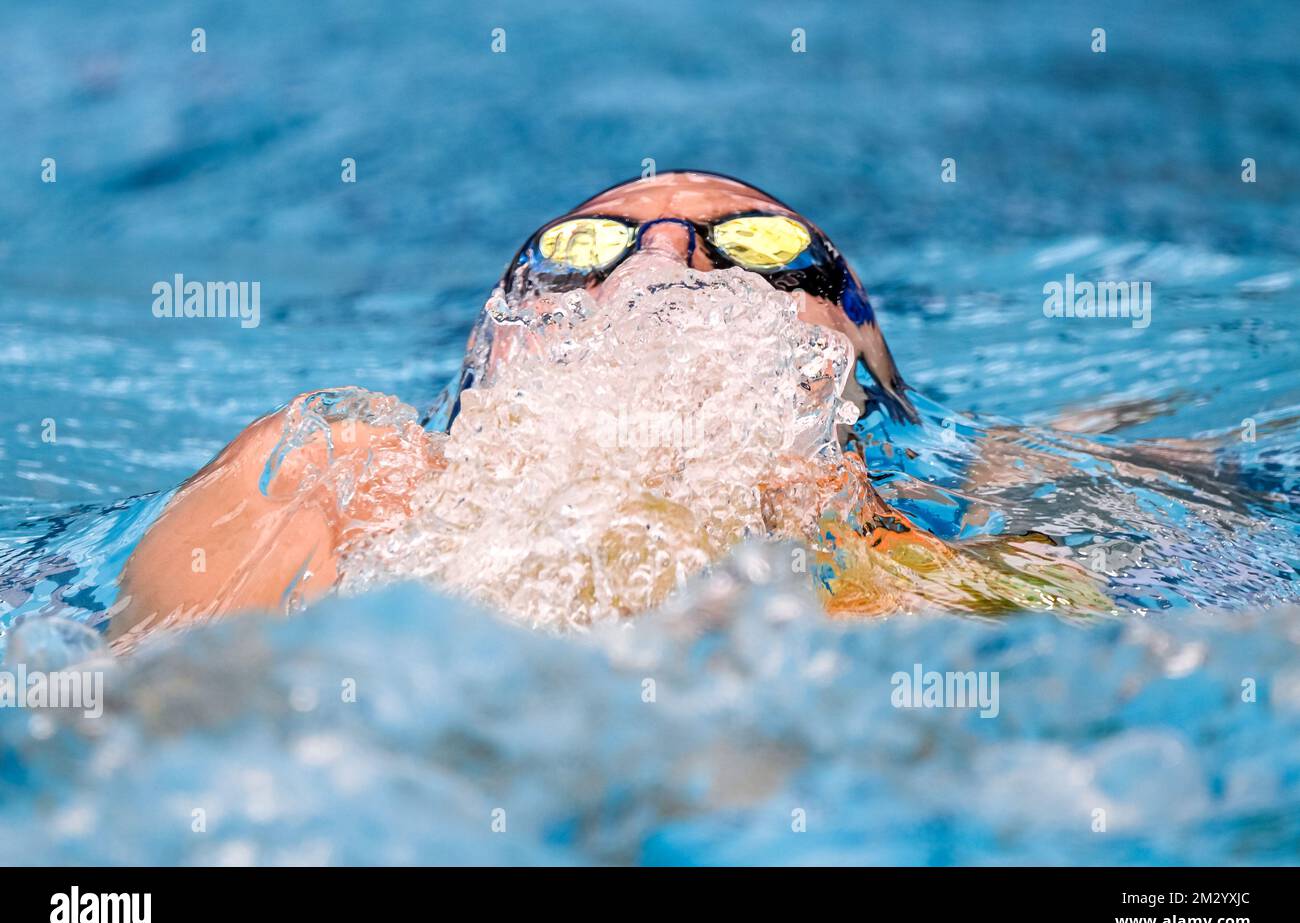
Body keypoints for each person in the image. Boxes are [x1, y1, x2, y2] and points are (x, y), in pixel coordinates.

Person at [109, 171, 1100, 642]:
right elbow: (161, 697)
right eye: (581, 247)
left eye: (757, 241)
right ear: (487, 357)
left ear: (866, 363)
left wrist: (849, 542)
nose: (665, 255)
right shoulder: (347, 466)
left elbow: (1073, 647)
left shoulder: (976, 495)